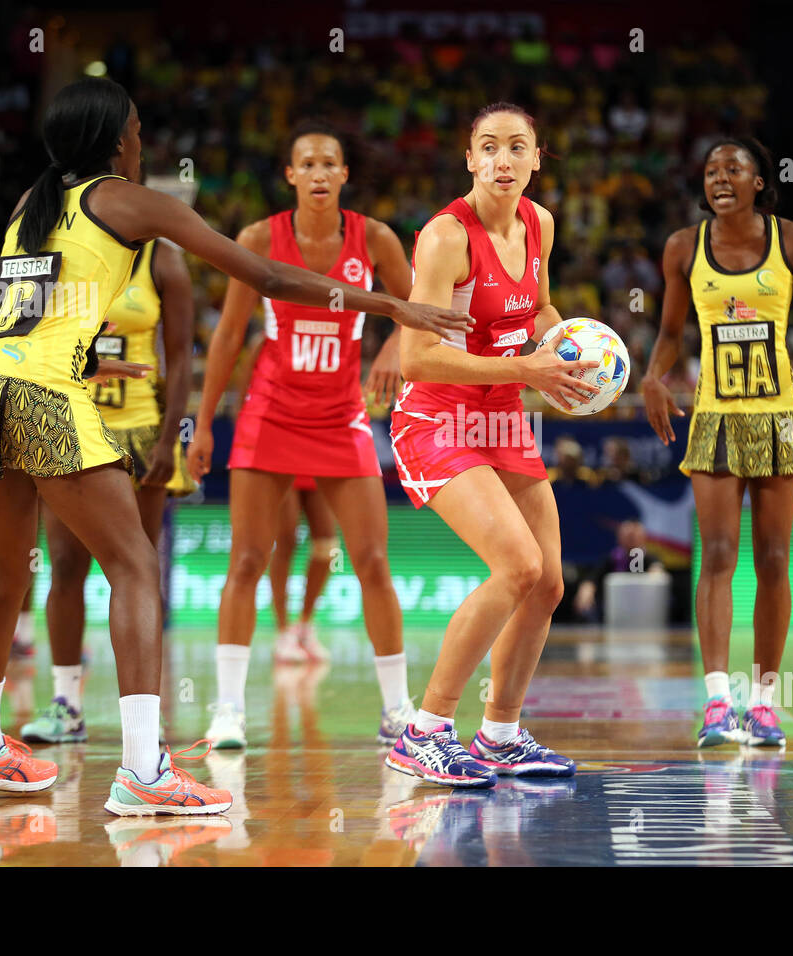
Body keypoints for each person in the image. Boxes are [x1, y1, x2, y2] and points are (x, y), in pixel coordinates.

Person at [0, 77, 470, 815]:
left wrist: (89, 357)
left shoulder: (29, 205)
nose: (143, 142)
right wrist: (388, 303)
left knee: (5, 575)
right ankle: (144, 771)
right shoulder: (126, 198)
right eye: (137, 129)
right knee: (137, 565)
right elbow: (265, 275)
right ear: (117, 140)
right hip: (39, 393)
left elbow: (21, 317)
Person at [188, 121, 423, 748]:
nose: (319, 173)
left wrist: (397, 343)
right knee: (245, 560)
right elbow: (230, 333)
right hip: (270, 411)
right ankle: (229, 711)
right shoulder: (260, 238)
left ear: (345, 175)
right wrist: (204, 423)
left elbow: (414, 310)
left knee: (372, 559)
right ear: (291, 176)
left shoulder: (374, 238)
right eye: (307, 164)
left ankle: (399, 712)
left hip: (342, 413)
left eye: (330, 164)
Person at [385, 102, 600, 787]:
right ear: (469, 159)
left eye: (517, 147)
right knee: (515, 565)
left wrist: (568, 350)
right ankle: (424, 732)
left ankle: (500, 735)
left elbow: (536, 307)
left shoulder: (540, 223)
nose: (503, 160)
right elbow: (416, 358)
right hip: (436, 416)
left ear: (537, 159)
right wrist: (524, 369)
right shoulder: (447, 238)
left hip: (502, 413)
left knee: (548, 582)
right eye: (489, 147)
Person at [642, 137, 793, 748]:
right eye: (710, 171)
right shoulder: (683, 248)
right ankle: (717, 704)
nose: (720, 179)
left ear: (760, 182)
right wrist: (652, 375)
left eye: (734, 169)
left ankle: (766, 705)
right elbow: (672, 333)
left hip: (779, 415)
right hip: (716, 417)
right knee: (719, 555)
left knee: (774, 560)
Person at [19, 235, 196, 744]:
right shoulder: (63, 251)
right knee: (66, 565)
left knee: (140, 570)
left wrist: (170, 437)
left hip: (140, 431)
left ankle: (144, 711)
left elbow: (181, 357)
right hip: (71, 427)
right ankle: (66, 703)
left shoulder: (162, 257)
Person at [268, 477, 336, 663]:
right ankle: (283, 631)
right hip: (286, 461)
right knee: (286, 541)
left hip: (319, 463)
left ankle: (304, 627)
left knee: (328, 545)